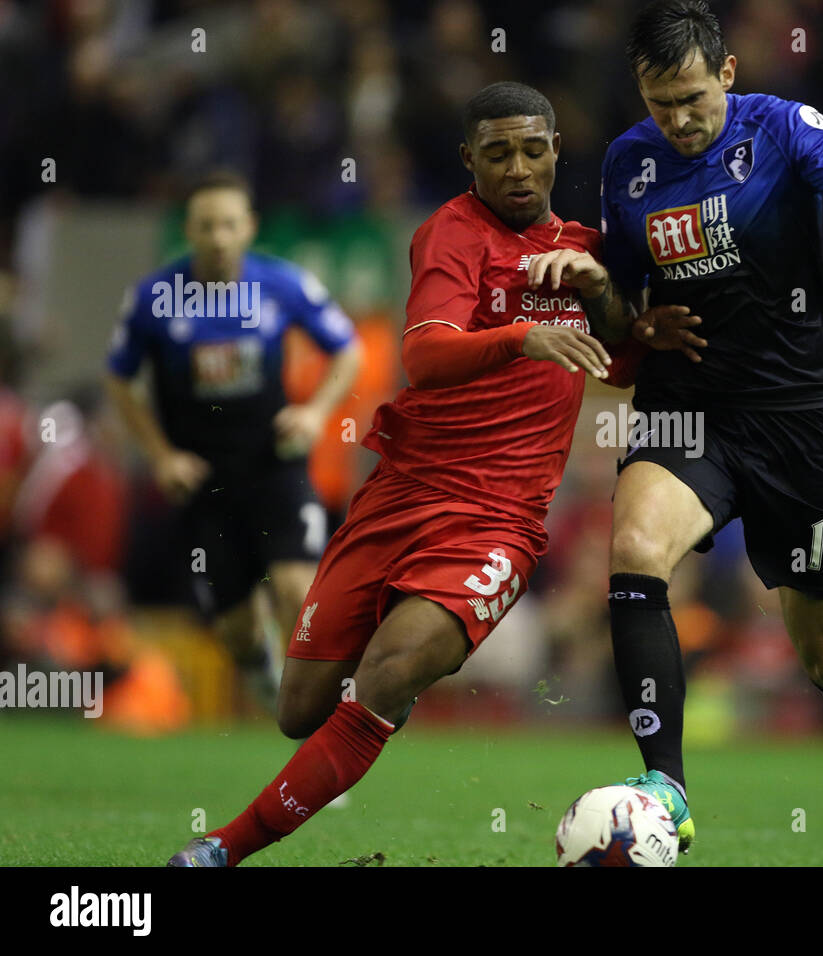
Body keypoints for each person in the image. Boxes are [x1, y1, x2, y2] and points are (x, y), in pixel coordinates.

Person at [167, 82, 701, 866]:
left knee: (382, 676)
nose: (517, 168)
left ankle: (220, 849)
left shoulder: (587, 247)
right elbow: (424, 354)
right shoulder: (451, 234)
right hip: (401, 496)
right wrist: (524, 336)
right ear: (468, 162)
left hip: (497, 523)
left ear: (556, 151)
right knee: (299, 708)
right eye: (496, 154)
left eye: (531, 150)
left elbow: (619, 361)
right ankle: (382, 707)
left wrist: (612, 306)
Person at [592, 0, 823, 864]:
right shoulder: (627, 164)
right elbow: (621, 306)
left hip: (799, 420)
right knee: (635, 544)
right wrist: (628, 322)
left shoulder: (786, 130)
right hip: (689, 406)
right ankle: (666, 789)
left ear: (728, 74)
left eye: (691, 99)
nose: (675, 121)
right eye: (657, 101)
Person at [106, 171, 360, 711]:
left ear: (248, 228)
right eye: (206, 226)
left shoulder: (282, 284)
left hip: (276, 467)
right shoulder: (153, 299)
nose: (218, 237)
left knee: (297, 591)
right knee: (238, 630)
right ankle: (269, 684)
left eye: (228, 224)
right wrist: (161, 456)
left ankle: (315, 726)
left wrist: (315, 413)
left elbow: (348, 349)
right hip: (204, 484)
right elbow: (118, 379)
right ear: (188, 231)